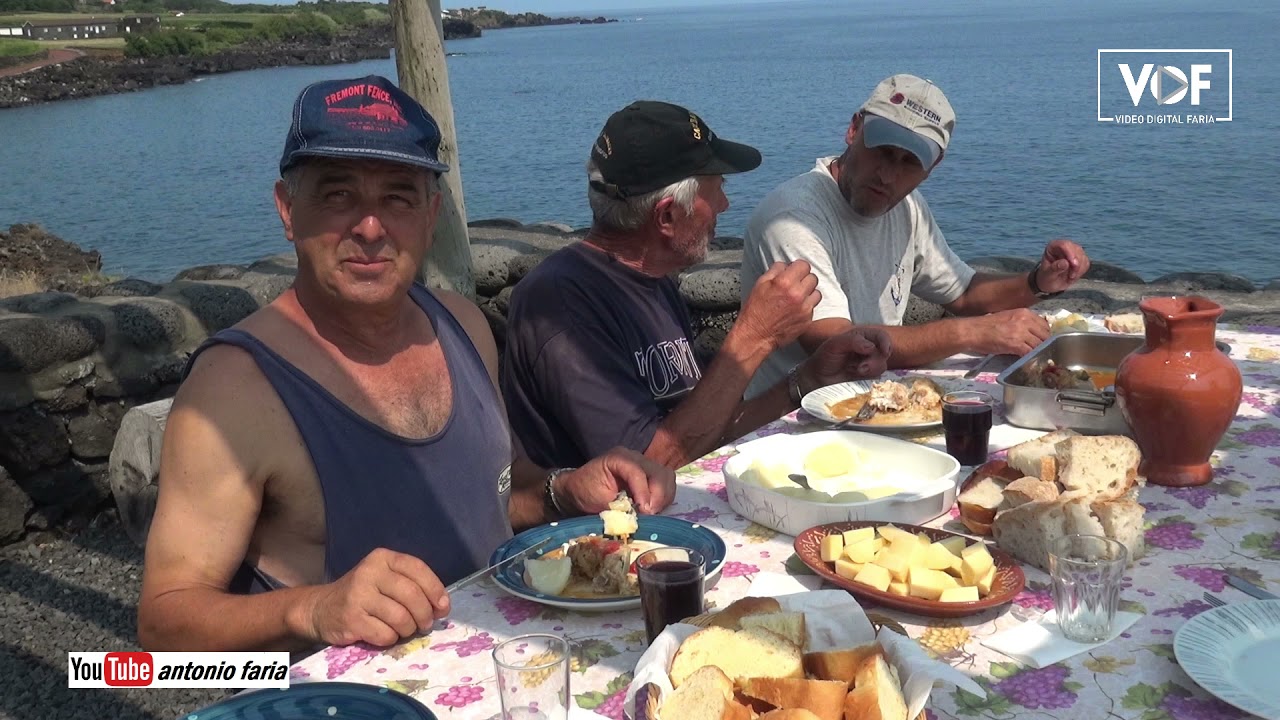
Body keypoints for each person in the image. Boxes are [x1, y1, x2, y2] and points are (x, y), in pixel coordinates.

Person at [137, 75, 675, 653]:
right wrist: (313, 609)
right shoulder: (234, 391)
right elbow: (160, 635)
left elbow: (498, 496)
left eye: (398, 196)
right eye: (338, 195)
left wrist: (564, 490)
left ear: (431, 214)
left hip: (507, 672)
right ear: (288, 210)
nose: (370, 227)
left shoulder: (463, 326)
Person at [501, 100, 891, 471]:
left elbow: (702, 434)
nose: (725, 205)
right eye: (716, 189)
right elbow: (646, 468)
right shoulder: (561, 305)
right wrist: (754, 336)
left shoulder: (655, 284)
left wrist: (808, 379)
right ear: (668, 216)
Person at [740, 74, 1091, 398]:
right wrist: (976, 333)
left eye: (910, 162)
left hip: (871, 403)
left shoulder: (907, 208)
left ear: (932, 166)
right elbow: (835, 343)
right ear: (853, 130)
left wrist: (1038, 282)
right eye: (882, 150)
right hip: (789, 418)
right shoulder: (794, 218)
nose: (888, 176)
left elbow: (964, 292)